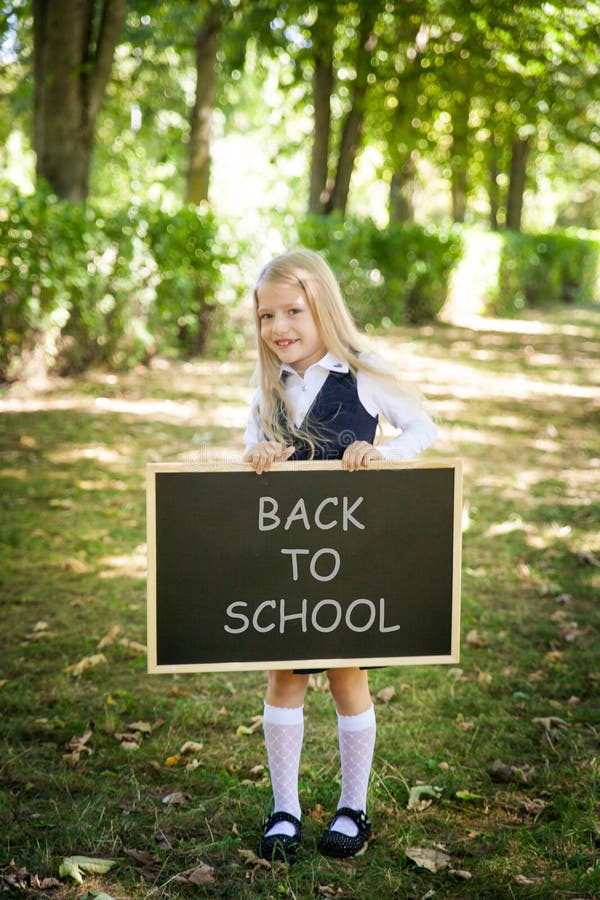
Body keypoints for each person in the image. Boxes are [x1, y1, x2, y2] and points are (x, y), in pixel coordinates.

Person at [243, 248, 438, 861]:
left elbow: (423, 429)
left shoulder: (366, 373)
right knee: (284, 677)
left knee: (347, 678)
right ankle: (285, 808)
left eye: (293, 311)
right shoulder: (268, 386)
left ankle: (353, 807)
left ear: (323, 306)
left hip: (349, 558)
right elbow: (249, 448)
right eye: (267, 316)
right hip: (286, 560)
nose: (279, 328)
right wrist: (259, 455)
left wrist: (383, 456)